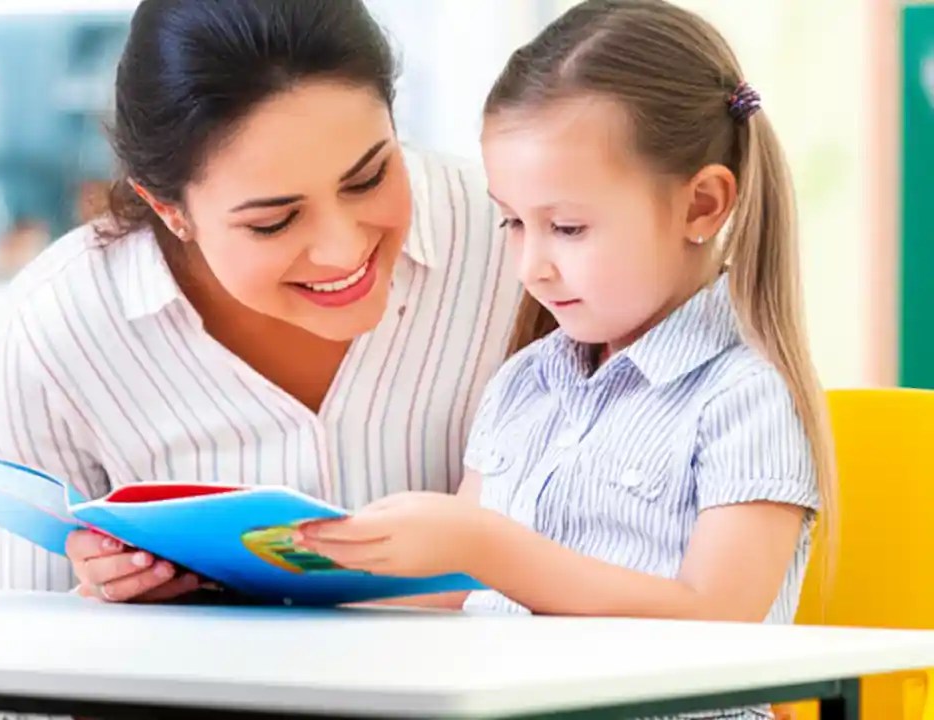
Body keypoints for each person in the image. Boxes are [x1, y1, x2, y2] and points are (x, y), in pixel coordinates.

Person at [301, 1, 835, 713]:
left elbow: (718, 621)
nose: (531, 266)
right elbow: (451, 590)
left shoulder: (744, 396)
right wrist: (282, 572)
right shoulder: (525, 384)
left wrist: (488, 550)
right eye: (515, 223)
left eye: (569, 227)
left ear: (703, 205)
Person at [0, 0, 518, 603]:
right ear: (169, 210)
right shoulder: (57, 329)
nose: (342, 251)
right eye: (274, 222)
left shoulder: (514, 240)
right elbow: (27, 676)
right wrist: (101, 622)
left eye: (368, 179)